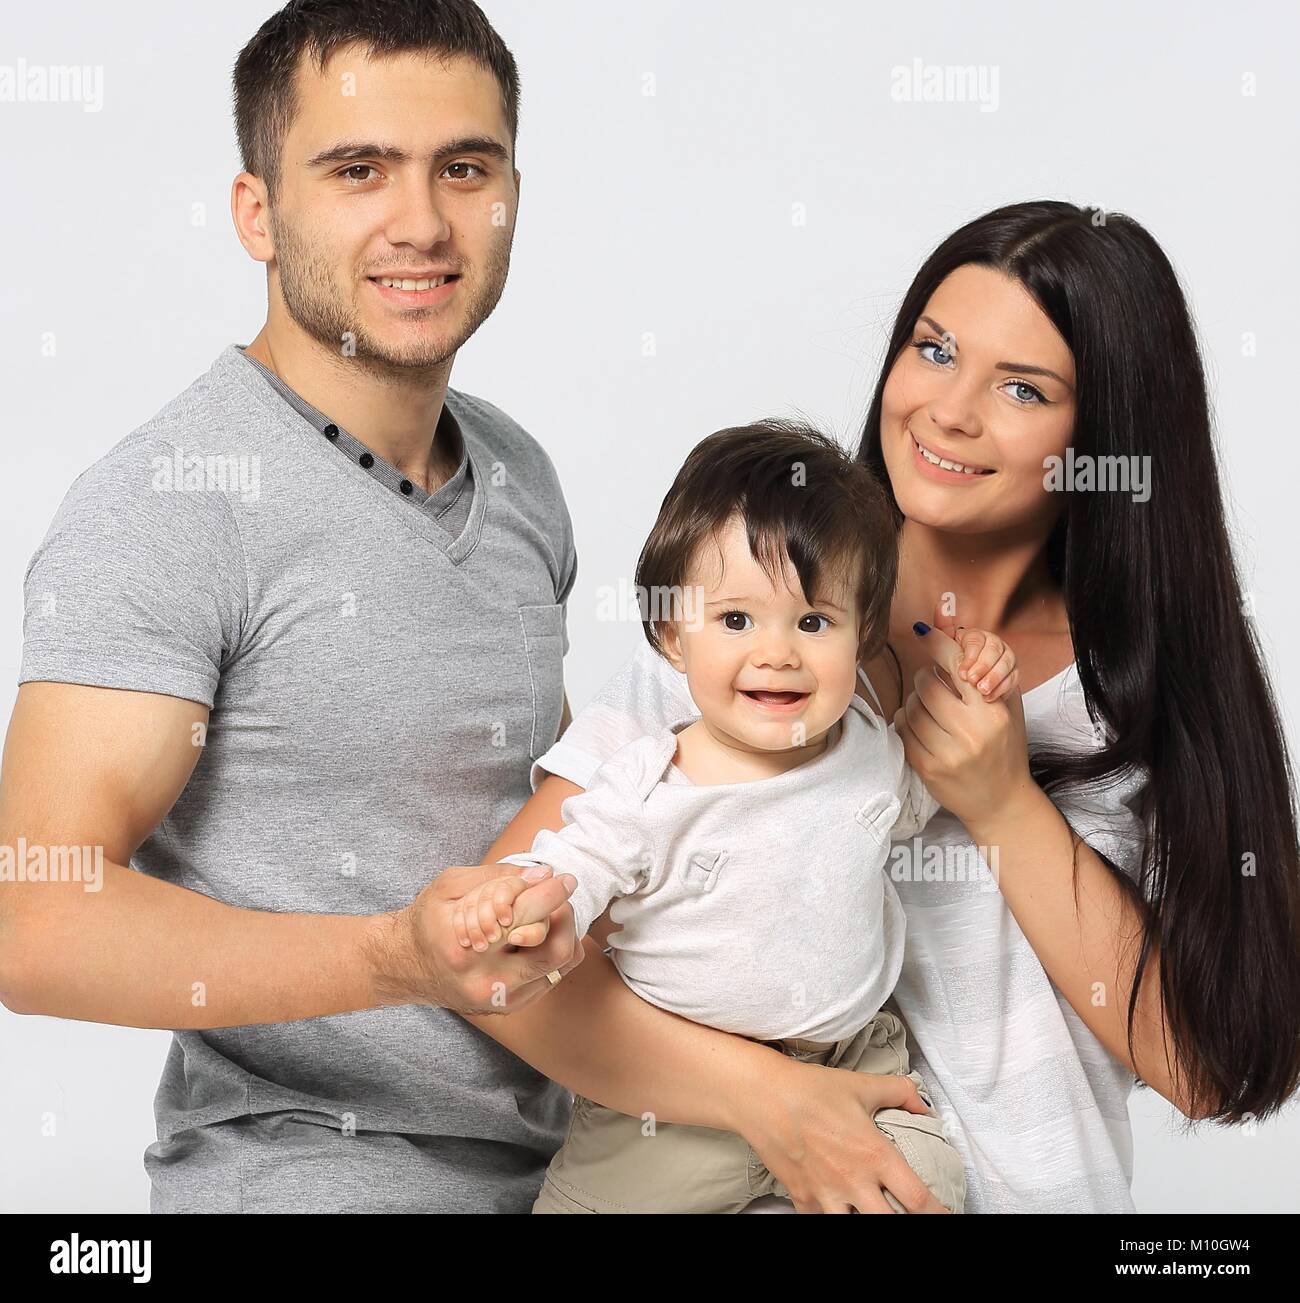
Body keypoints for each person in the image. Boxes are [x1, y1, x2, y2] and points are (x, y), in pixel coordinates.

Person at [453, 201, 1300, 1214]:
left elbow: (1205, 1068)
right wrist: (771, 1097)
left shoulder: (1138, 695)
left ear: (1105, 437)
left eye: (1021, 387)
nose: (948, 410)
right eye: (932, 349)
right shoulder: (742, 632)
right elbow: (497, 971)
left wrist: (1001, 807)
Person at [0, 0, 588, 1213]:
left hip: (576, 1157)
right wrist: (393, 958)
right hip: (319, 1169)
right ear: (257, 213)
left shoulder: (518, 472)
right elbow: (36, 916)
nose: (421, 222)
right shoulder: (167, 505)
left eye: (464, 169)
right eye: (358, 170)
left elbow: (546, 838)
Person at [461, 422, 1016, 1213]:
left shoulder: (865, 746)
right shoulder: (649, 779)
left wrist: (963, 697)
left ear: (862, 637)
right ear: (669, 636)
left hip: (849, 1066)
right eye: (734, 620)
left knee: (926, 1187)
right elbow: (575, 867)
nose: (777, 652)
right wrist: (520, 902)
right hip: (673, 1106)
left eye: (814, 622)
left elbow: (911, 802)